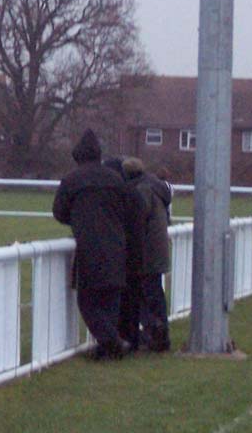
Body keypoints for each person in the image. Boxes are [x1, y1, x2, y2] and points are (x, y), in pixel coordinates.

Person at [53, 130, 132, 360]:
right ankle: (109, 347)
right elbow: (127, 210)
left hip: (89, 247)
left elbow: (59, 212)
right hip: (117, 246)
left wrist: (78, 220)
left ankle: (112, 342)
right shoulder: (116, 179)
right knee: (110, 300)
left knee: (87, 302)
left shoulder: (72, 180)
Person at [121, 157, 172, 352]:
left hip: (146, 250)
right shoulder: (156, 187)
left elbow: (137, 219)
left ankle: (155, 331)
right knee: (155, 294)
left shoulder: (141, 190)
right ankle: (161, 334)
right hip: (158, 248)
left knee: (143, 294)